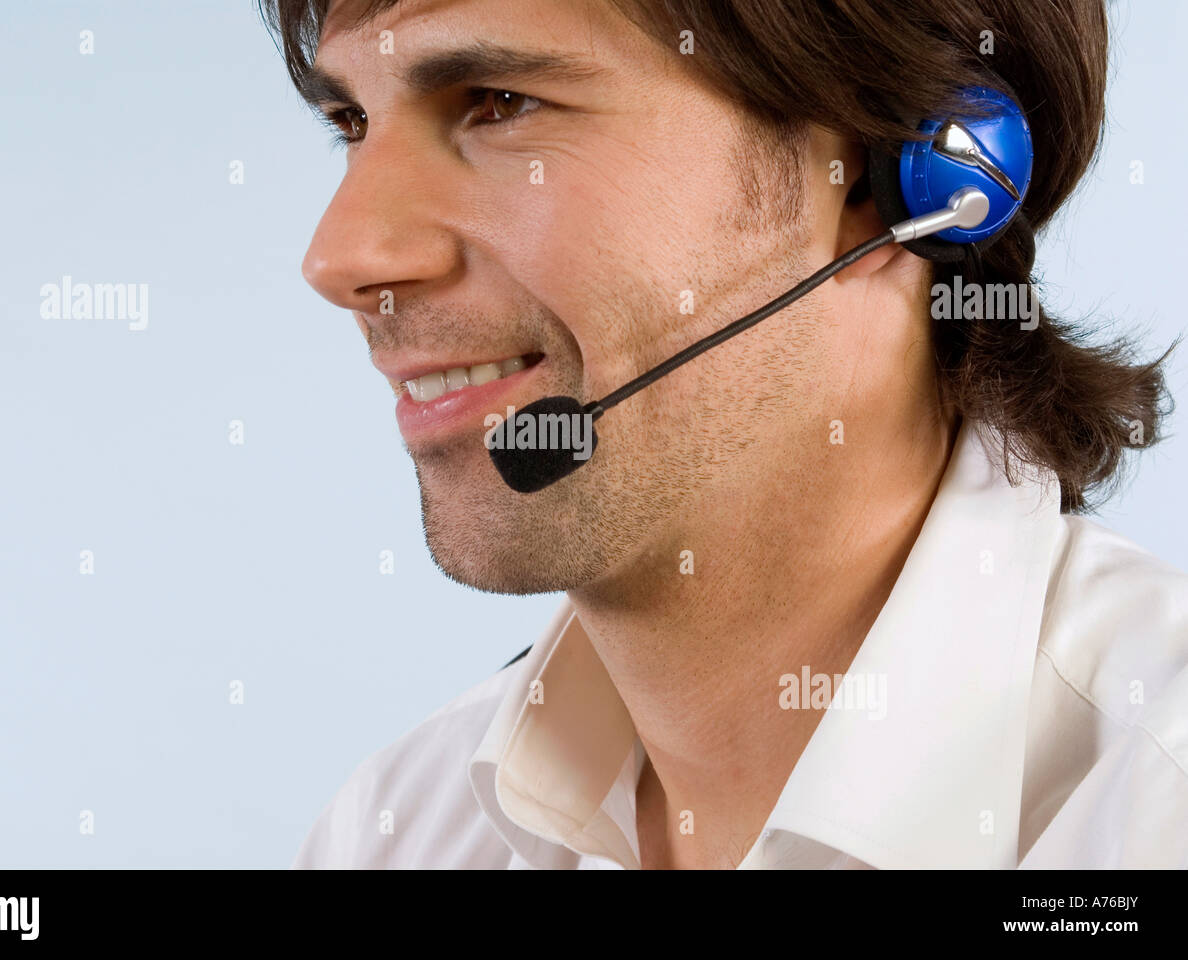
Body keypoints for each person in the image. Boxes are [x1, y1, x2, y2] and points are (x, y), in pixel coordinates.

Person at [262, 0, 1187, 868]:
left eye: (500, 104)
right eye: (352, 123)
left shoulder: (1152, 803)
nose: (341, 256)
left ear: (903, 176)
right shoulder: (392, 832)